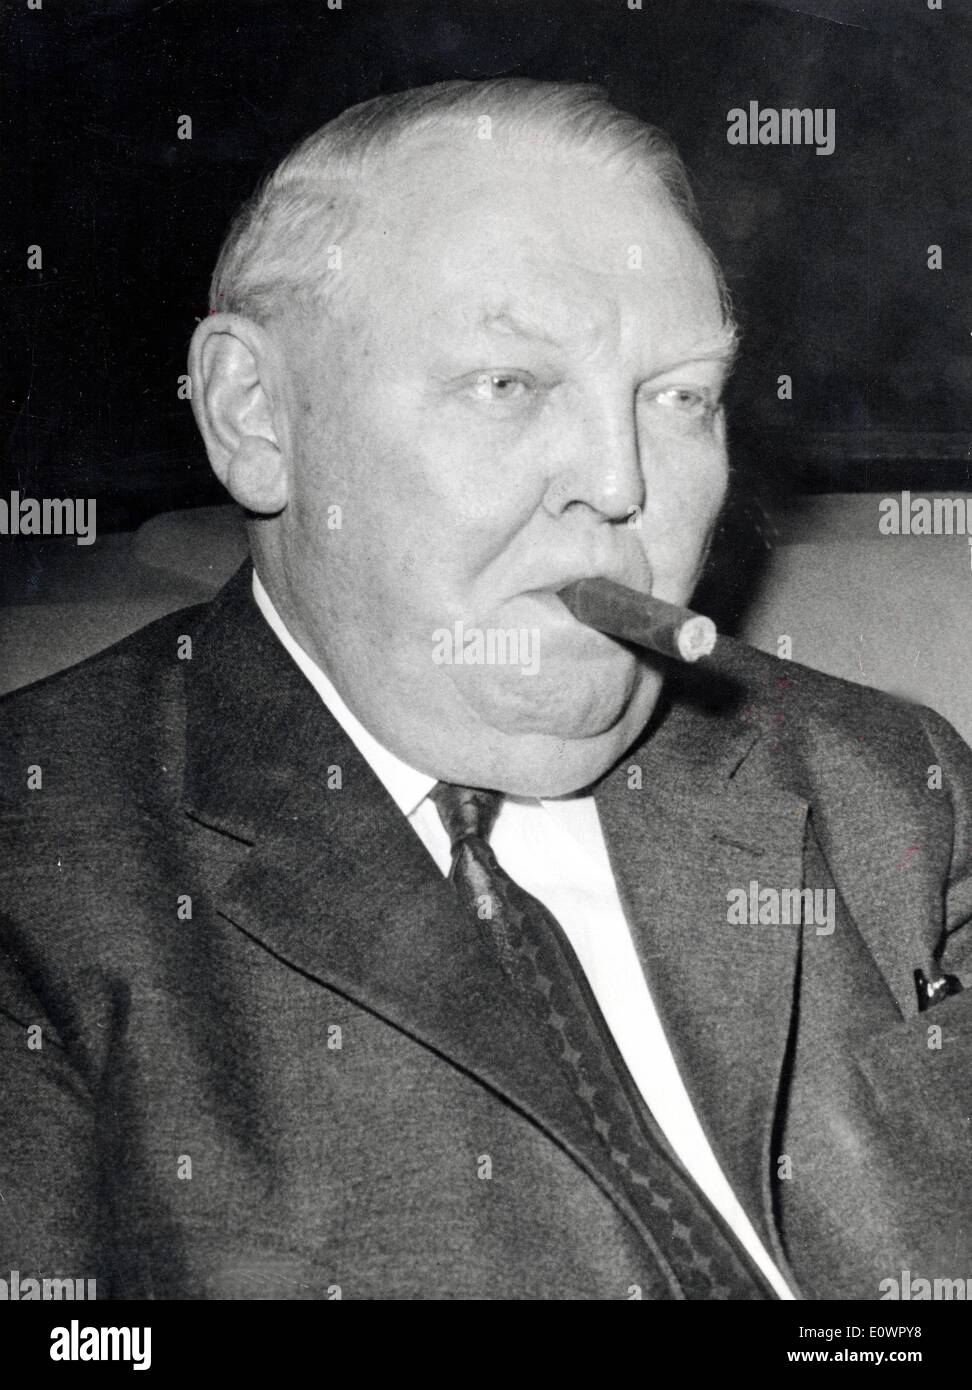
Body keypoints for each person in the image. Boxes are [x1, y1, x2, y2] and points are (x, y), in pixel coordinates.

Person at [1, 79, 970, 1301]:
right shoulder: (36, 871)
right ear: (256, 414)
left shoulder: (887, 784)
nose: (622, 485)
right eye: (508, 383)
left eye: (680, 398)